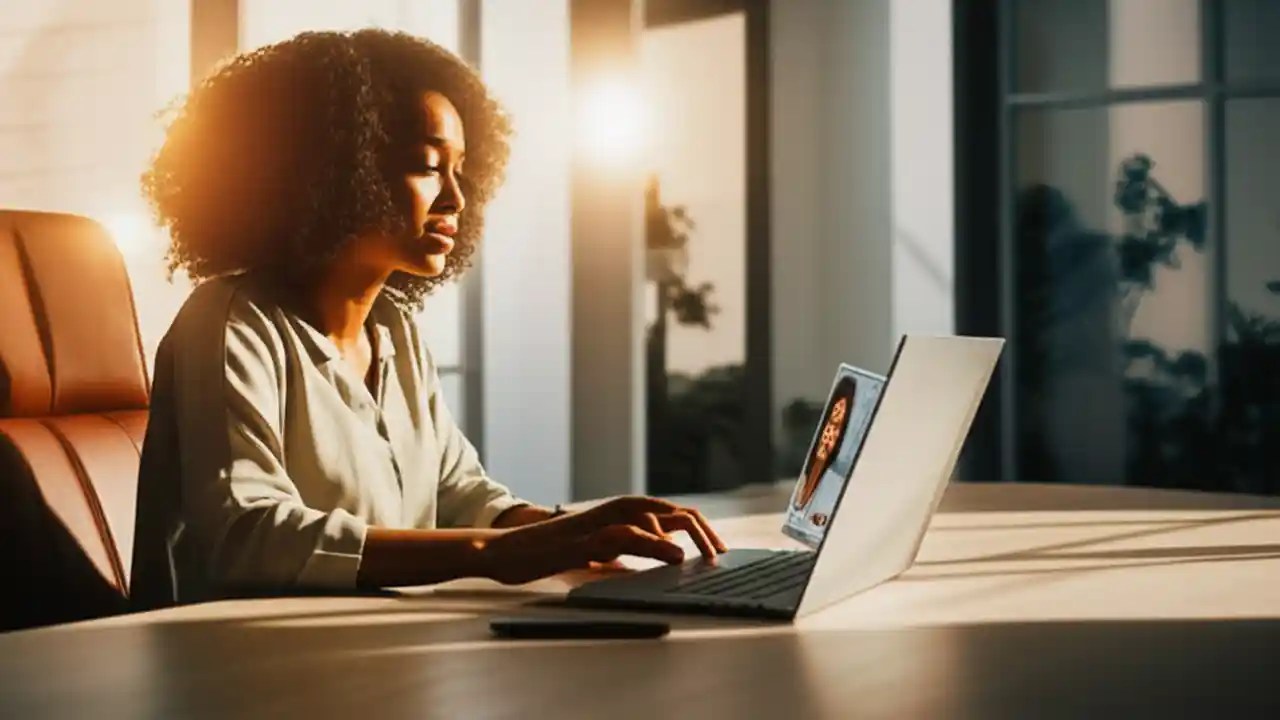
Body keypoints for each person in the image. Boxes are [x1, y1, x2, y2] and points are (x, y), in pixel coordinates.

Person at [130, 29, 725, 609]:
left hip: (369, 657)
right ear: (332, 174)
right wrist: (487, 552)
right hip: (234, 671)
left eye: (461, 169)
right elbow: (247, 534)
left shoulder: (392, 329)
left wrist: (576, 530)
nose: (457, 199)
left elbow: (458, 492)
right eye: (427, 165)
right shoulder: (231, 323)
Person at [791, 376, 857, 511]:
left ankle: (803, 503)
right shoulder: (840, 406)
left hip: (826, 451)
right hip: (823, 451)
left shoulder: (841, 407)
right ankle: (803, 503)